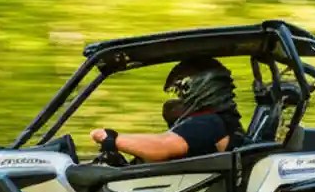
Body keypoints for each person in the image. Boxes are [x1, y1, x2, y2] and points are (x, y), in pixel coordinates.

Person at [90, 57, 242, 163]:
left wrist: (111, 138)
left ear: (201, 89)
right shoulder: (222, 124)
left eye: (180, 92)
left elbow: (162, 146)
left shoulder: (208, 123)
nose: (176, 99)